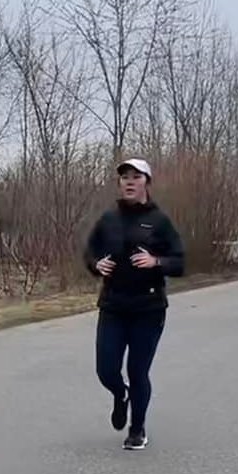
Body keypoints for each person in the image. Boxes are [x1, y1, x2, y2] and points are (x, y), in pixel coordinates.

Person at [85, 158, 185, 451]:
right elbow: (90, 252)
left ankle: (137, 428)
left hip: (149, 308)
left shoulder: (159, 221)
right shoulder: (108, 219)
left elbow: (179, 262)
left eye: (136, 177)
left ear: (146, 183)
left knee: (138, 371)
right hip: (113, 306)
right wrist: (96, 264)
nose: (129, 181)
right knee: (106, 370)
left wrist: (157, 262)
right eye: (124, 177)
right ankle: (120, 394)